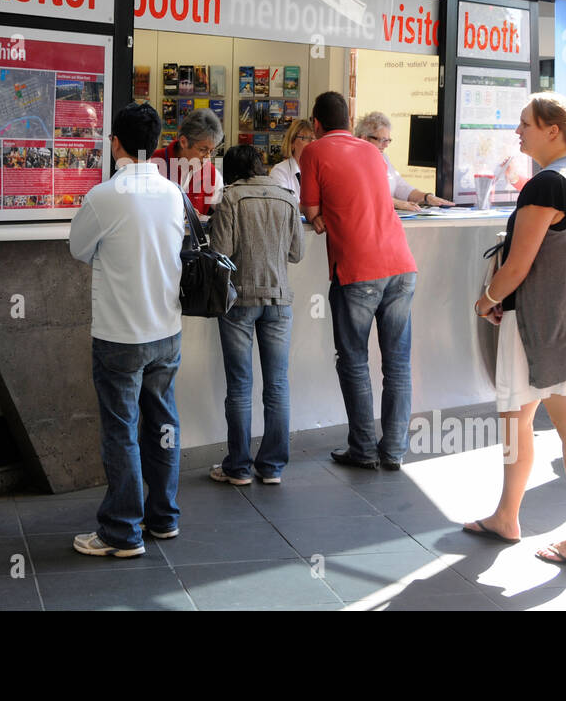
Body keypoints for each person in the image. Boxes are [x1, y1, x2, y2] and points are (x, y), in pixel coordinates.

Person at [465, 92, 566, 567]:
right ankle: (508, 514)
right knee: (520, 417)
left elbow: (517, 266)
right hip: (565, 323)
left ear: (553, 130)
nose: (518, 131)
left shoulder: (547, 184)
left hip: (544, 328)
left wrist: (486, 300)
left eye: (525, 123)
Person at [68, 102, 186, 557]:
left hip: (120, 332)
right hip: (166, 329)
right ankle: (163, 518)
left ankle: (121, 531)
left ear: (114, 142)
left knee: (122, 430)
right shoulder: (173, 193)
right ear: (155, 144)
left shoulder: (104, 196)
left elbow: (78, 247)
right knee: (162, 423)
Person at [300, 92, 417, 470]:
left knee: (353, 361)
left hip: (358, 270)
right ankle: (394, 449)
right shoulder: (371, 152)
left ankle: (363, 449)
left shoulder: (314, 151)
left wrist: (324, 217)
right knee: (397, 364)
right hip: (401, 266)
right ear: (350, 122)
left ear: (316, 123)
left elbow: (311, 210)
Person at [208, 144, 305, 485]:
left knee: (240, 386)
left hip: (240, 301)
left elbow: (221, 253)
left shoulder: (230, 199)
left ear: (232, 172)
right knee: (277, 385)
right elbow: (296, 253)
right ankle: (273, 467)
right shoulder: (287, 197)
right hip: (279, 301)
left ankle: (238, 468)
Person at [355, 111, 453, 211]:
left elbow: (400, 186)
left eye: (388, 140)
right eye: (382, 140)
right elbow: (366, 194)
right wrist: (397, 203)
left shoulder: (383, 157)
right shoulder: (354, 161)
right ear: (364, 138)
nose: (386, 145)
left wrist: (427, 197)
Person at [152, 108, 223, 217]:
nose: (207, 157)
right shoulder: (153, 164)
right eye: (203, 150)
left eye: (211, 151)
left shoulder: (212, 174)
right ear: (183, 142)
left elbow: (225, 213)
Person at [270, 119, 314, 195]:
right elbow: (284, 205)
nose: (312, 142)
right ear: (292, 143)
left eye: (313, 138)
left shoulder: (319, 170)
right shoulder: (279, 172)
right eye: (305, 138)